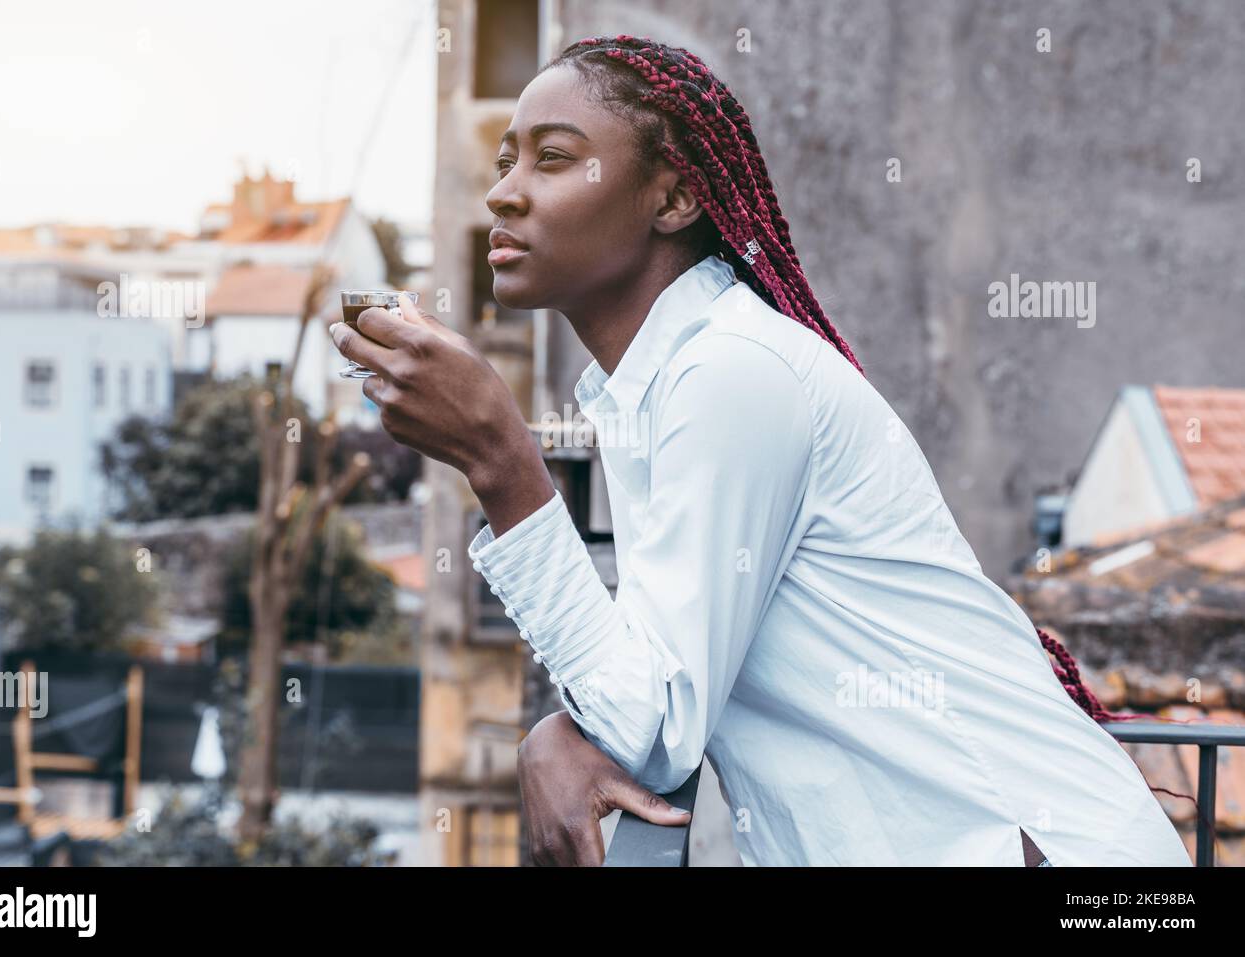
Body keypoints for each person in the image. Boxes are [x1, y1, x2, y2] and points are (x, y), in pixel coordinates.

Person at [329, 34, 1194, 867]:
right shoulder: (672, 382)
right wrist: (566, 725)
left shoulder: (731, 372)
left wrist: (498, 457)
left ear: (673, 197)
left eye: (553, 158)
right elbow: (657, 673)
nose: (505, 194)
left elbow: (656, 725)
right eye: (505, 162)